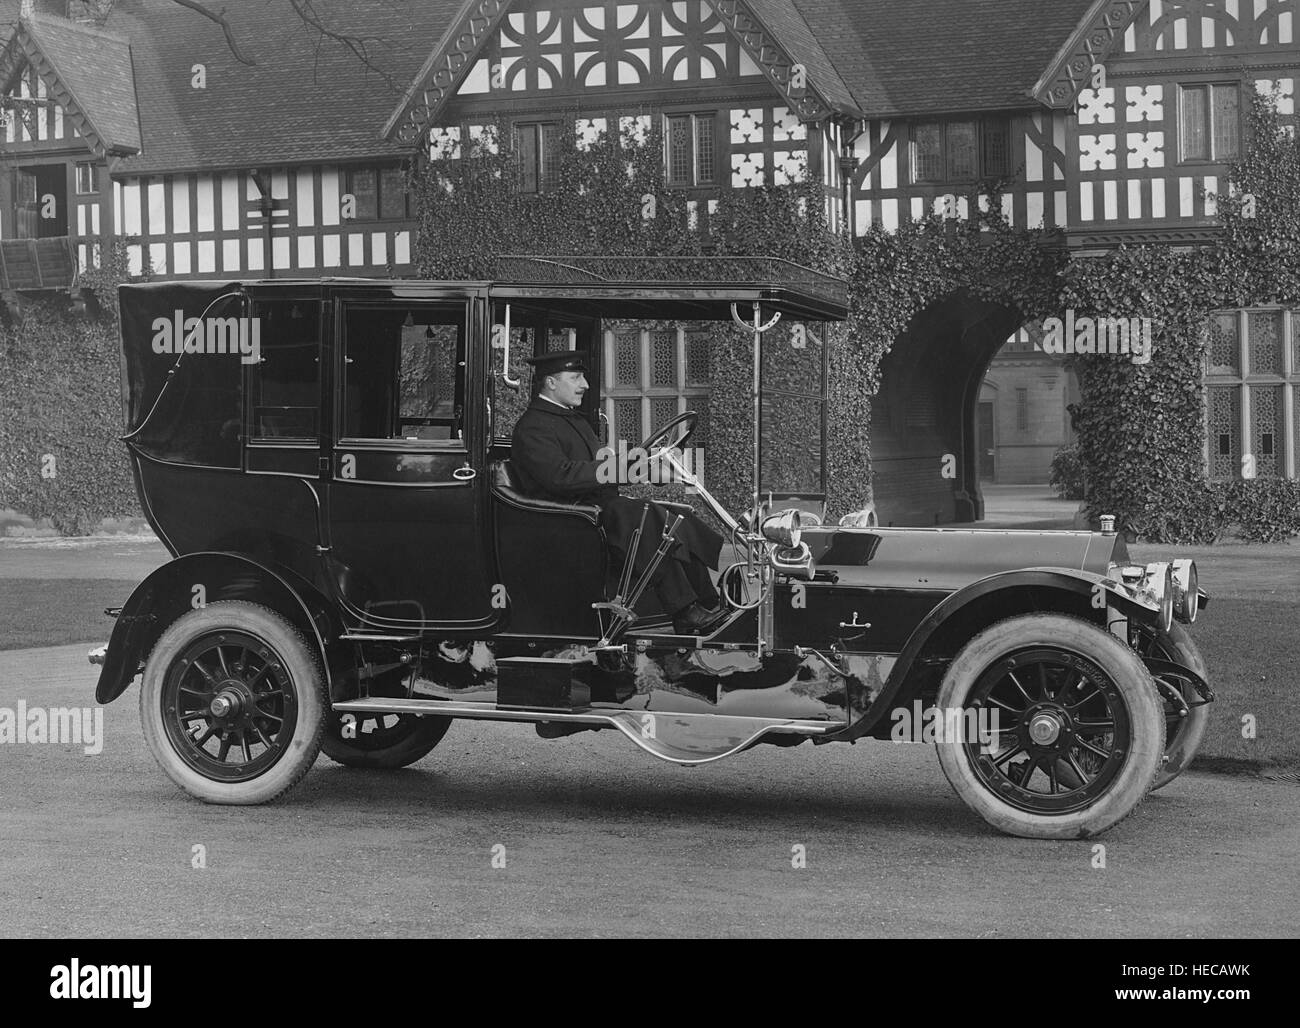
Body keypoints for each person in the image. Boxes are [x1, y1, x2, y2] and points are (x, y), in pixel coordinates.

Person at [509, 350, 726, 635]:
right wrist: (623, 469)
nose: (584, 384)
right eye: (575, 378)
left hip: (593, 509)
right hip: (565, 518)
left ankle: (709, 603)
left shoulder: (572, 419)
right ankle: (684, 611)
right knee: (640, 515)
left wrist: (649, 471)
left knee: (677, 515)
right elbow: (560, 477)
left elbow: (603, 463)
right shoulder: (533, 426)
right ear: (550, 382)